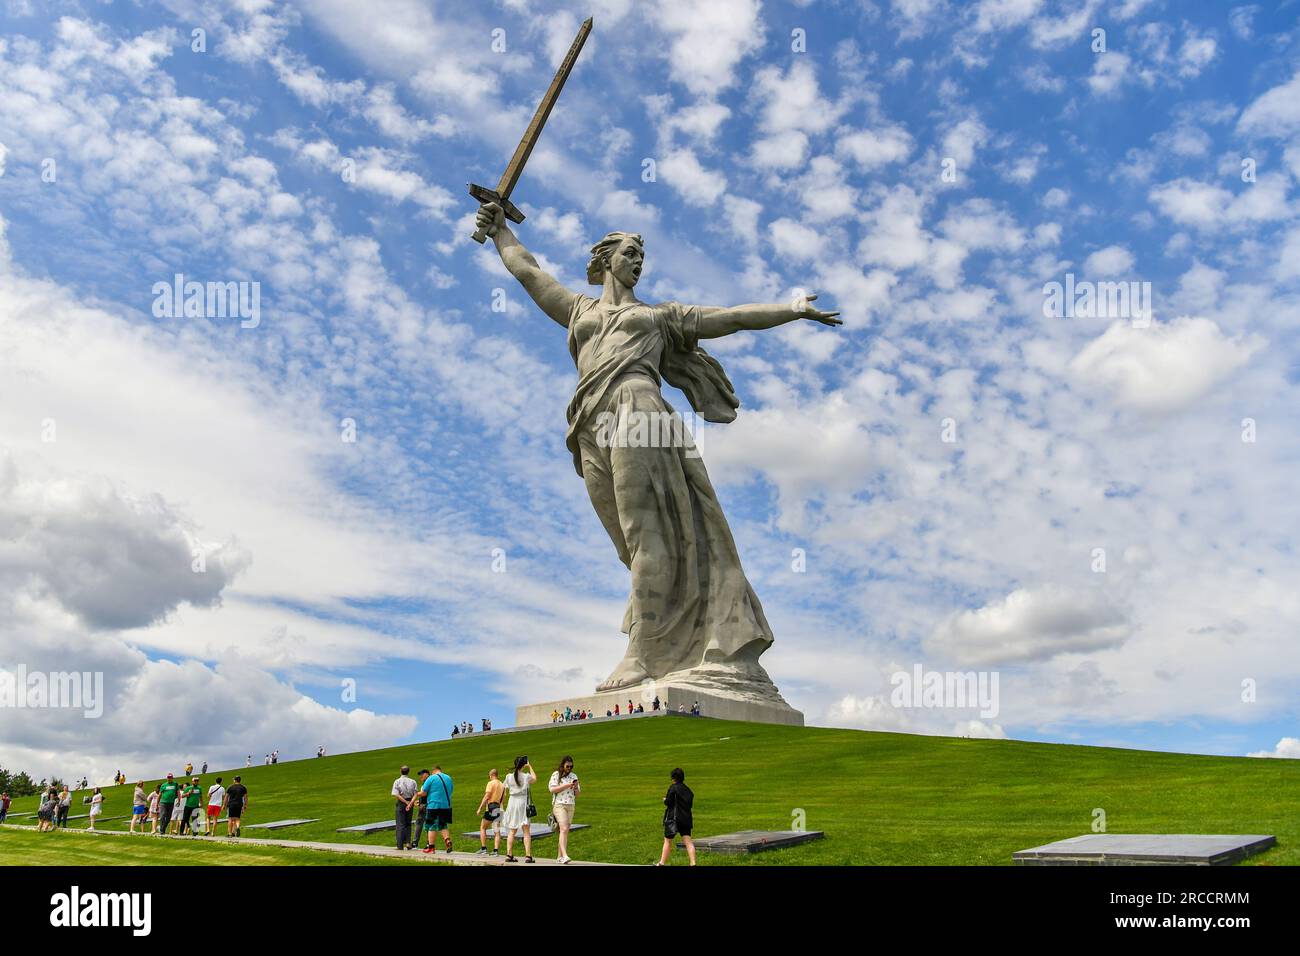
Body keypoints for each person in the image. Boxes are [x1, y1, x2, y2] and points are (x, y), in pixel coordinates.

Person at [501, 755, 537, 863]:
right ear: (523, 765)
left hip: (512, 802)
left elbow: (504, 788)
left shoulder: (509, 776)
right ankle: (528, 856)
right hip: (522, 802)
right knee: (526, 830)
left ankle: (509, 854)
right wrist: (530, 766)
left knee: (512, 830)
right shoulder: (526, 776)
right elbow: (535, 779)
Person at [657, 768, 696, 866]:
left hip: (673, 819)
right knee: (688, 841)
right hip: (686, 818)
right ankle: (693, 863)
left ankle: (662, 863)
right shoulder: (688, 790)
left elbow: (668, 802)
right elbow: (689, 804)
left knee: (668, 841)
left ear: (673, 778)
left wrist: (665, 800)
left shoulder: (673, 788)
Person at [548, 755, 580, 864]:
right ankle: (565, 855)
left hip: (571, 805)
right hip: (559, 804)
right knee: (564, 829)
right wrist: (566, 785)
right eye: (567, 766)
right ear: (563, 765)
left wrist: (575, 787)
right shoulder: (556, 775)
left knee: (564, 831)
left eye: (571, 766)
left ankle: (559, 857)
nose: (569, 768)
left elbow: (578, 794)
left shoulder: (574, 776)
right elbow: (552, 789)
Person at [420, 764, 454, 854]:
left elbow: (424, 792)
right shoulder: (448, 778)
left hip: (433, 805)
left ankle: (431, 848)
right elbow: (451, 790)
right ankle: (447, 840)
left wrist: (416, 794)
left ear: (433, 771)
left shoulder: (431, 778)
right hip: (446, 805)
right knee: (443, 825)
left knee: (431, 826)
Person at [475, 769, 505, 856]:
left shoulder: (490, 783)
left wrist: (480, 808)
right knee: (497, 830)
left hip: (491, 808)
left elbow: (487, 796)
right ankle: (496, 851)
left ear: (491, 775)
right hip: (499, 809)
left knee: (483, 827)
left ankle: (483, 848)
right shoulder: (502, 785)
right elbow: (503, 798)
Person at [391, 765, 418, 851]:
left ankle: (400, 845)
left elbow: (396, 794)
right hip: (410, 802)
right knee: (408, 823)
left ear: (400, 771)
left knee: (400, 824)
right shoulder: (413, 781)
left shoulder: (397, 781)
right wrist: (410, 803)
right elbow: (415, 794)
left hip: (401, 803)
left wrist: (405, 802)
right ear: (408, 772)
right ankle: (408, 842)